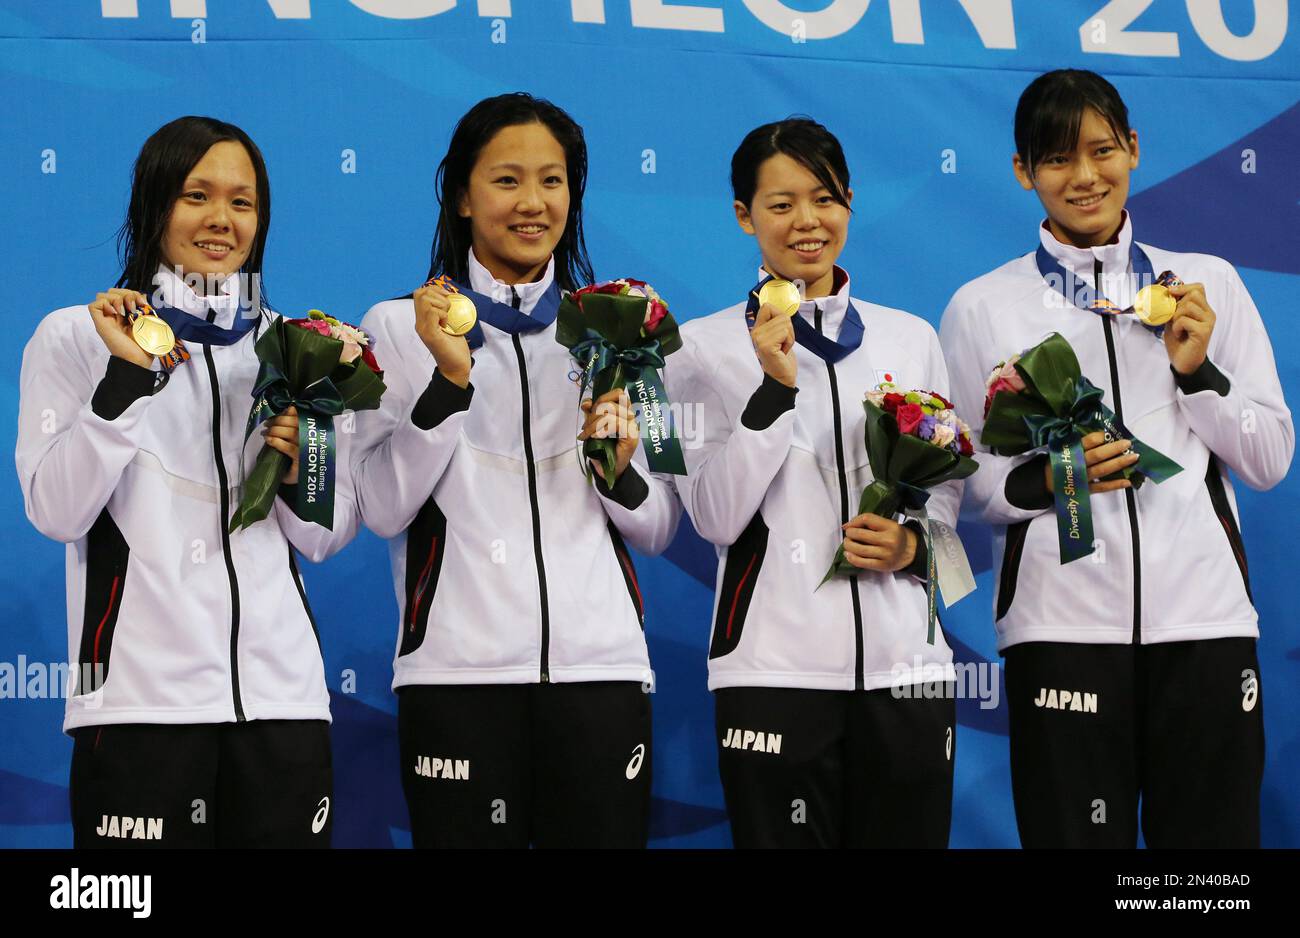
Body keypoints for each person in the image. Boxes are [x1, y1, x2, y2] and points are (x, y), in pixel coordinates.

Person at [938, 69, 1293, 848]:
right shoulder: (981, 306)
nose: (1085, 176)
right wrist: (1057, 477)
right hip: (1061, 631)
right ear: (1023, 172)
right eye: (1058, 159)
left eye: (1102, 150)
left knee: (1207, 884)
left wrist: (1197, 374)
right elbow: (963, 488)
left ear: (1134, 150)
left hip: (1203, 625)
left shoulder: (1208, 287)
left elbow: (1268, 458)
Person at [351, 93, 680, 848]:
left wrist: (623, 472)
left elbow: (661, 524)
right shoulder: (398, 328)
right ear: (462, 197)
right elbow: (379, 508)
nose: (533, 203)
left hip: (602, 675)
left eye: (553, 181)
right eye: (507, 181)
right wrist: (448, 386)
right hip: (458, 678)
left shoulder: (626, 330)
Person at [15, 116, 354, 848]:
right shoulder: (75, 337)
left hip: (282, 706)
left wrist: (302, 472)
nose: (221, 220)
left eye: (243, 201)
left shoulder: (299, 351)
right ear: (154, 203)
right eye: (196, 195)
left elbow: (324, 539)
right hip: (139, 709)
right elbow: (55, 510)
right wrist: (125, 384)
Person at [667, 117, 962, 848]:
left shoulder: (912, 338)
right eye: (780, 203)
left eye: (825, 198)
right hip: (773, 672)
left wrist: (910, 546)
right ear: (744, 216)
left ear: (851, 203)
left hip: (910, 674)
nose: (807, 222)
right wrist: (770, 394)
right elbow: (710, 515)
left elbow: (950, 500)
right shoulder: (698, 348)